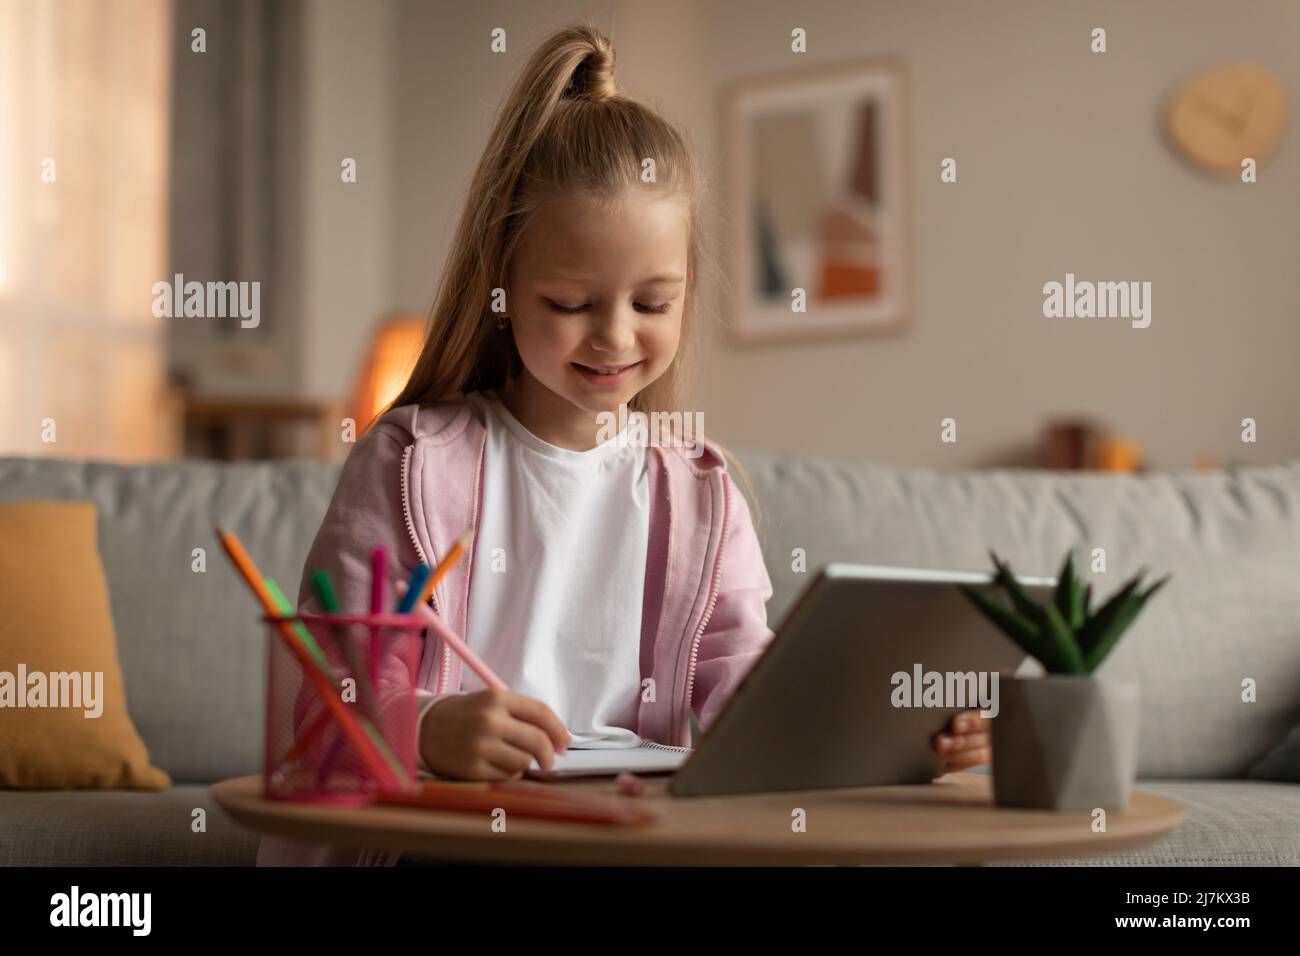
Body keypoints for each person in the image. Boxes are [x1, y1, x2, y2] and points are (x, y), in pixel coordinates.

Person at [257, 22, 989, 867]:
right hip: (449, 835)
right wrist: (424, 729)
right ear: (501, 289)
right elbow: (317, 701)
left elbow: (746, 711)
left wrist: (895, 732)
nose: (613, 337)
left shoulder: (704, 495)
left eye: (651, 303)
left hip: (633, 844)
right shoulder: (412, 462)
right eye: (570, 302)